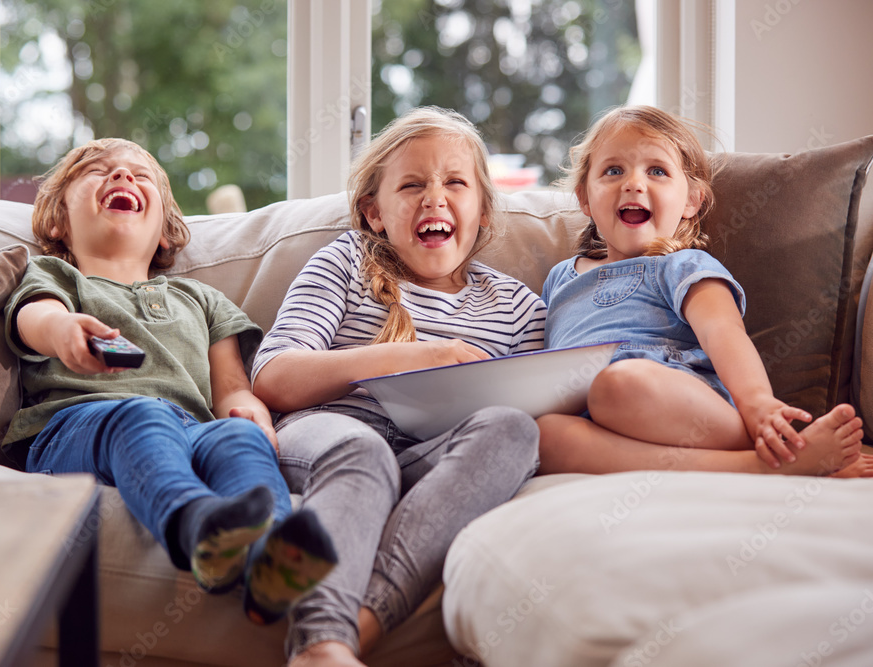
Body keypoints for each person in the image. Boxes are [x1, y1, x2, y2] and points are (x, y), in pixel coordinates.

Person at [252, 106, 548, 666]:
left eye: (455, 182)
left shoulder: (515, 307)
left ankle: (346, 637)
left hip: (429, 460)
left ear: (482, 209)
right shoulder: (345, 262)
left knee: (512, 428)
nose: (434, 198)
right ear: (374, 213)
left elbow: (543, 410)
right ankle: (323, 641)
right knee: (363, 451)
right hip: (330, 438)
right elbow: (274, 378)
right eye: (412, 184)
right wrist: (421, 355)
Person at [1, 138, 337, 625]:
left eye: (140, 176)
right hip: (73, 428)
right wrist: (64, 332)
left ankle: (272, 557)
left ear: (165, 230)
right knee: (144, 412)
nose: (122, 177)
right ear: (58, 220)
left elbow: (232, 388)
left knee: (239, 437)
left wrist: (252, 414)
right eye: (99, 171)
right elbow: (36, 317)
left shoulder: (200, 298)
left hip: (192, 428)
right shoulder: (56, 275)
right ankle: (193, 524)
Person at [535, 105, 871, 478]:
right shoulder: (560, 278)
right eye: (613, 170)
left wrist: (757, 401)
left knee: (617, 385)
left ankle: (781, 446)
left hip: (674, 400)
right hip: (594, 421)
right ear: (584, 198)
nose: (633, 183)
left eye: (657, 171)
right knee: (542, 435)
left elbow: (722, 332)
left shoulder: (683, 264)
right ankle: (759, 465)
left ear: (692, 201)